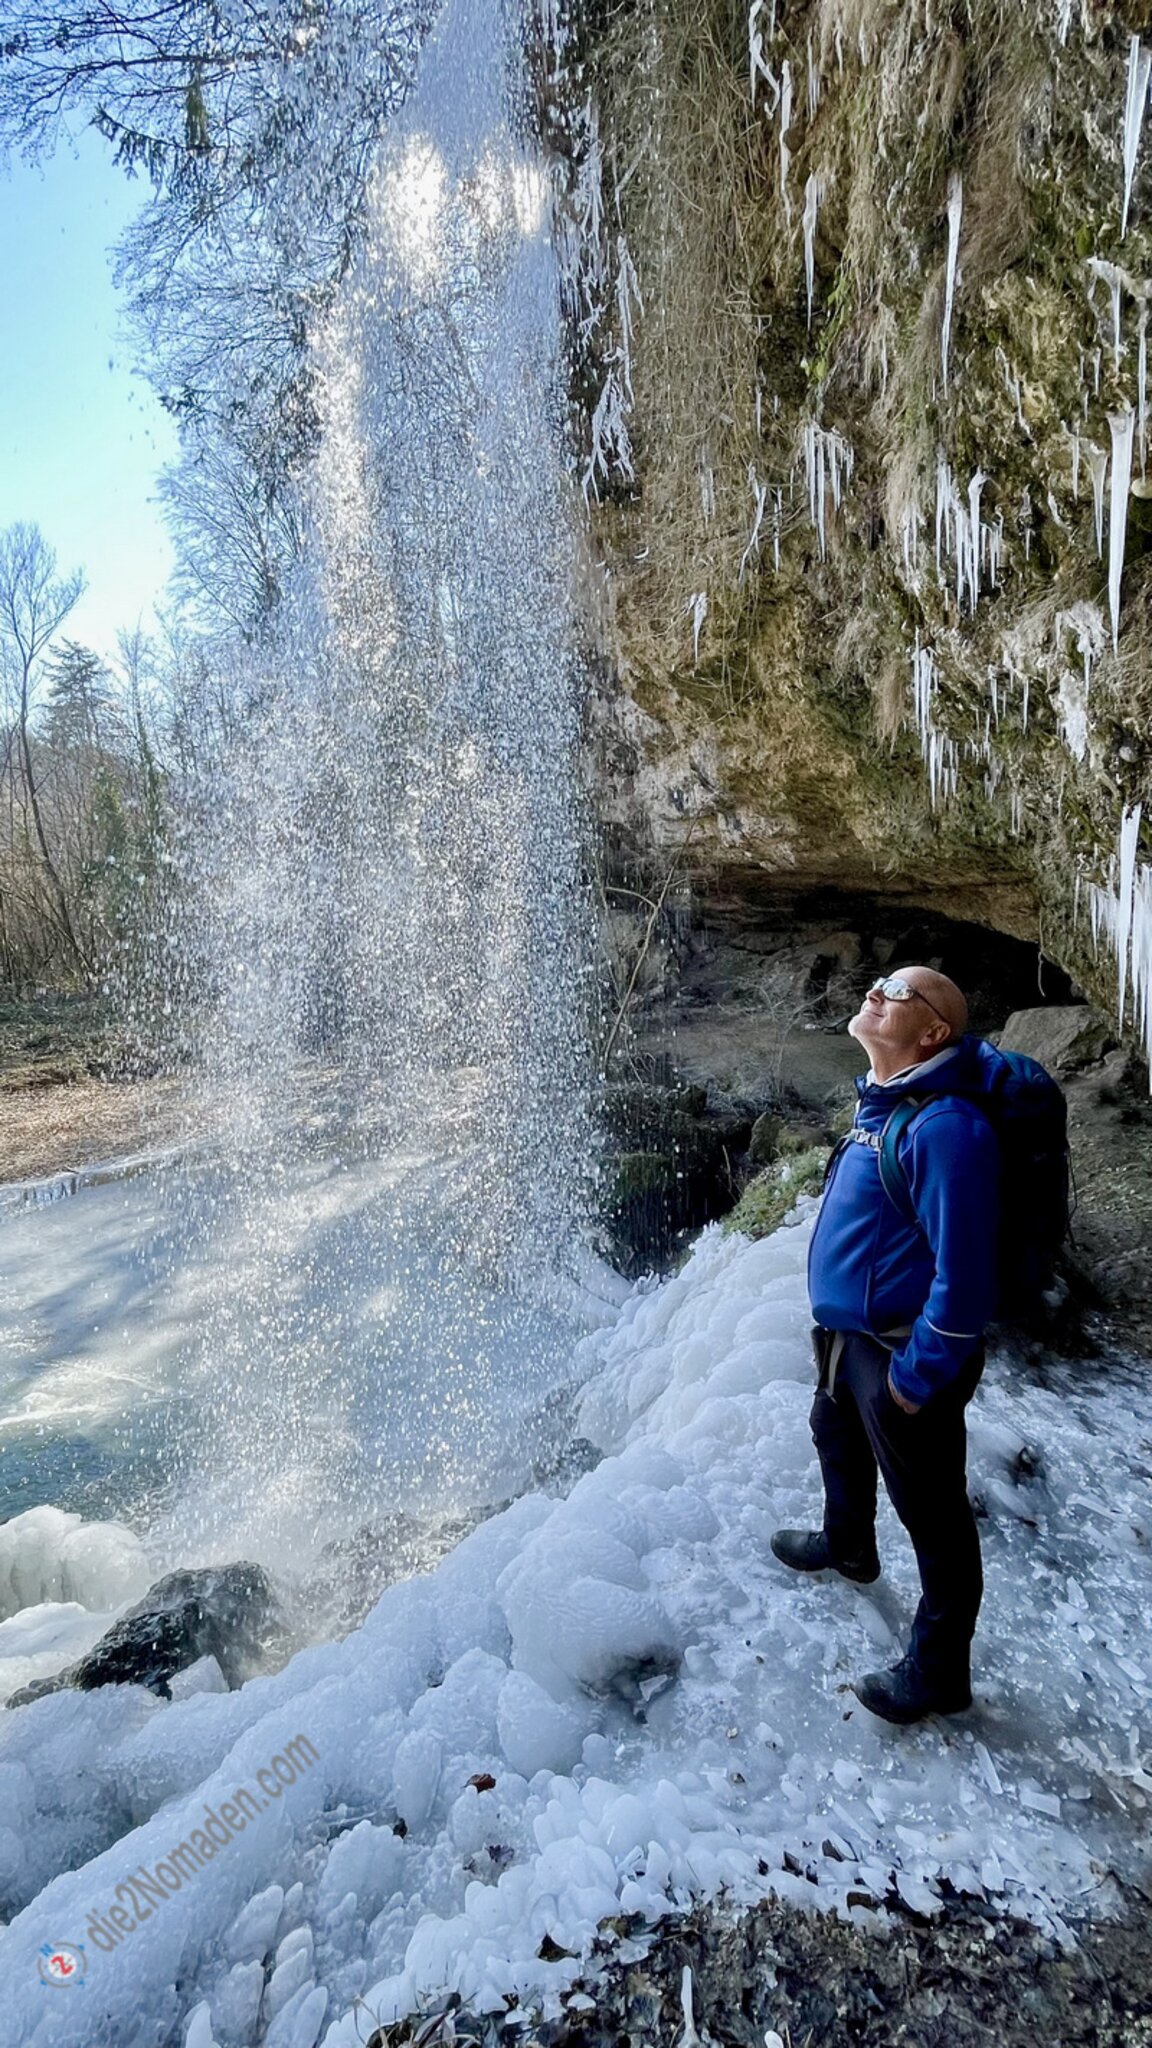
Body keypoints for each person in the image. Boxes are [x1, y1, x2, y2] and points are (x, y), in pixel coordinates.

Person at [771, 965, 1000, 1724]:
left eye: (899, 992)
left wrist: (919, 1375)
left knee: (932, 1514)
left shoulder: (946, 1129)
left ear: (933, 1032)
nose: (876, 992)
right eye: (878, 981)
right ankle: (847, 1545)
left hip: (902, 1353)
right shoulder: (884, 1106)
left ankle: (939, 1673)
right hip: (853, 1334)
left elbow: (967, 1279)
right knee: (833, 1434)